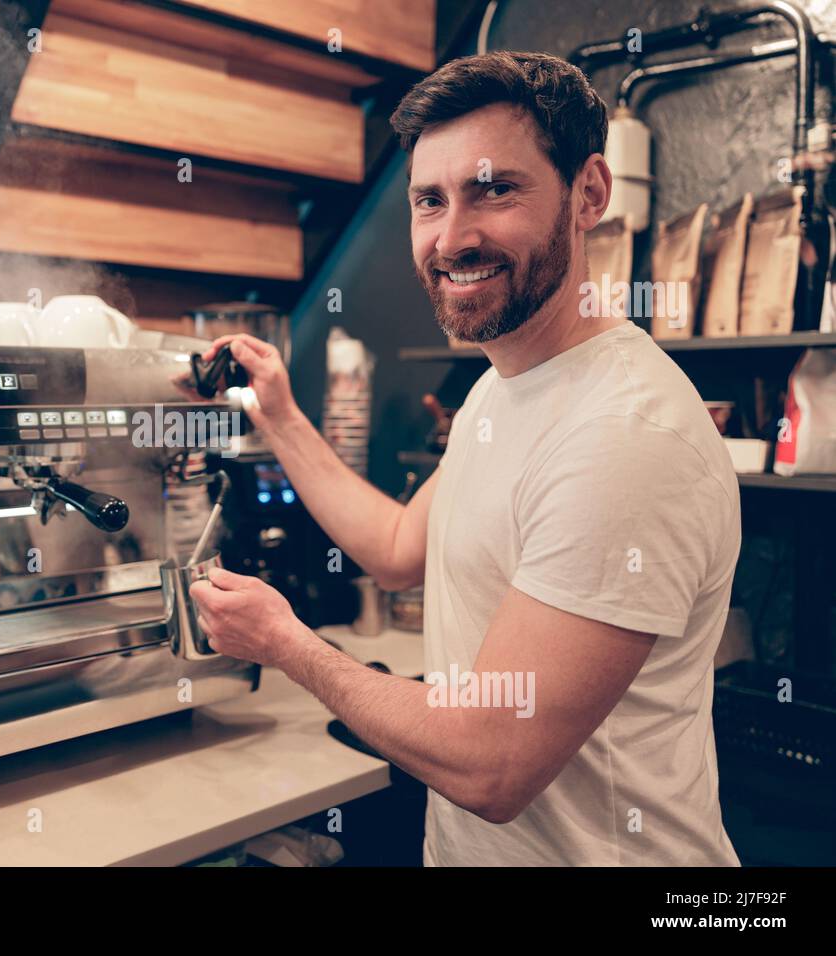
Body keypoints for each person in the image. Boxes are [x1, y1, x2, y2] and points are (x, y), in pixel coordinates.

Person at [189, 51, 741, 866]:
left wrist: (289, 645)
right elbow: (399, 549)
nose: (452, 237)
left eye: (495, 189)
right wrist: (281, 418)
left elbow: (491, 763)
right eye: (429, 201)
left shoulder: (625, 434)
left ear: (589, 193)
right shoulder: (501, 386)